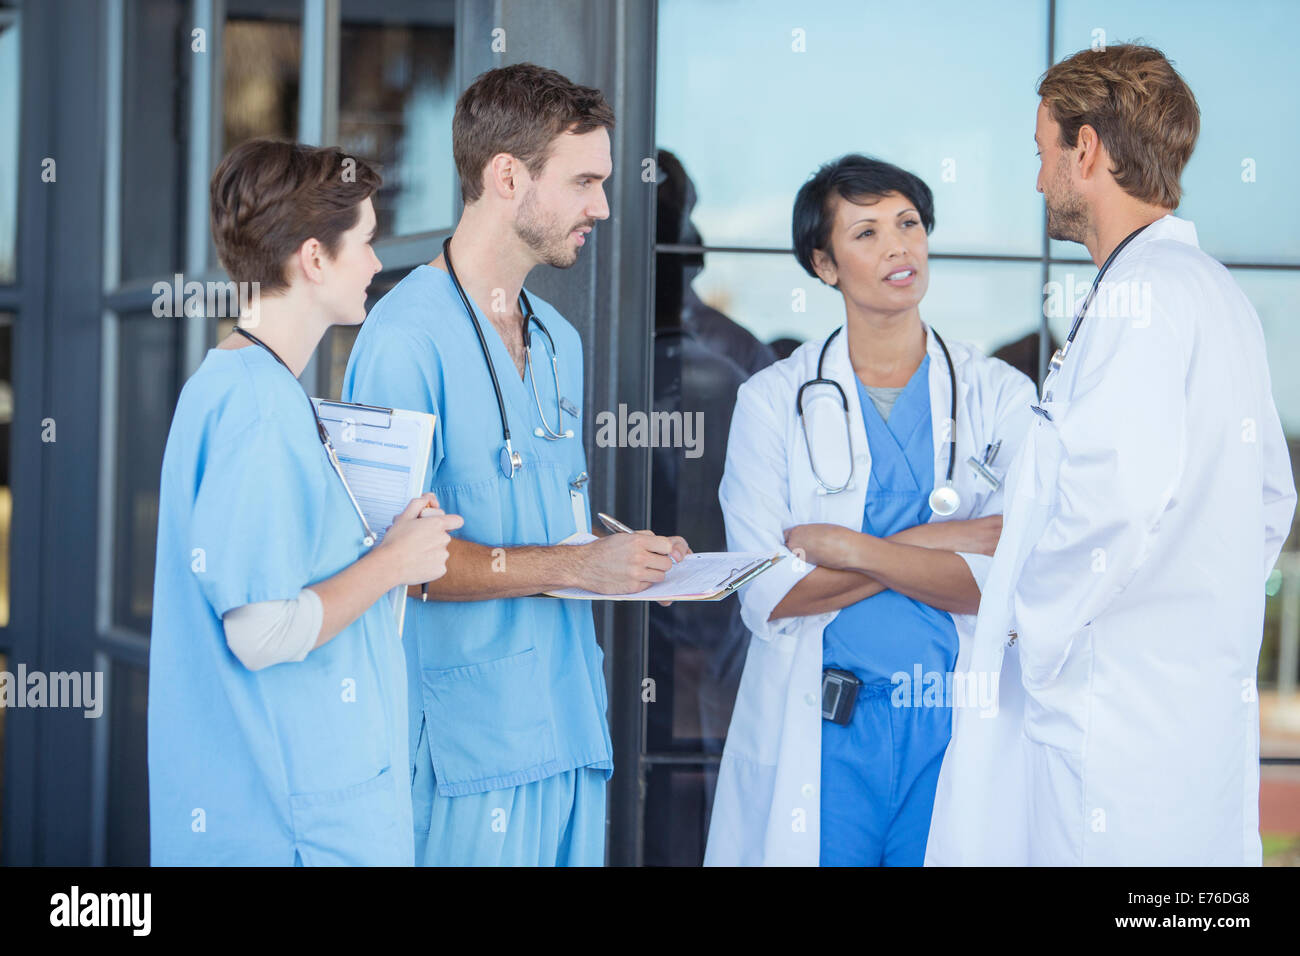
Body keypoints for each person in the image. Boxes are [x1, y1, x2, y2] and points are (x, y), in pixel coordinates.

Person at [929, 44, 1297, 866]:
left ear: (1086, 150)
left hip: (1110, 729)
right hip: (1178, 721)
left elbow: (1113, 505)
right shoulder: (1213, 294)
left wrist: (1032, 629)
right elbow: (1272, 496)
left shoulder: (1148, 297)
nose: (1037, 180)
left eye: (1042, 152)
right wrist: (1196, 611)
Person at [343, 63, 690, 867]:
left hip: (567, 729)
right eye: (584, 182)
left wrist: (621, 556)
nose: (602, 206)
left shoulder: (559, 341)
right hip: (465, 754)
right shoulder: (402, 340)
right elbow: (393, 564)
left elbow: (549, 517)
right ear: (507, 177)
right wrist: (579, 564)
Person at [704, 155, 1036, 866]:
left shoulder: (998, 395)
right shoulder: (771, 402)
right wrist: (938, 544)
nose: (898, 247)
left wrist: (854, 548)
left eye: (909, 224)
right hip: (825, 734)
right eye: (867, 233)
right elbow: (771, 590)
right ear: (825, 265)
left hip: (948, 731)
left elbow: (1009, 575)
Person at [148, 138, 463, 865]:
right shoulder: (260, 410)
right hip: (289, 832)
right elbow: (258, 632)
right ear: (314, 258)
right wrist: (392, 564)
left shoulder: (235, 386)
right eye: (368, 243)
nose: (380, 264)